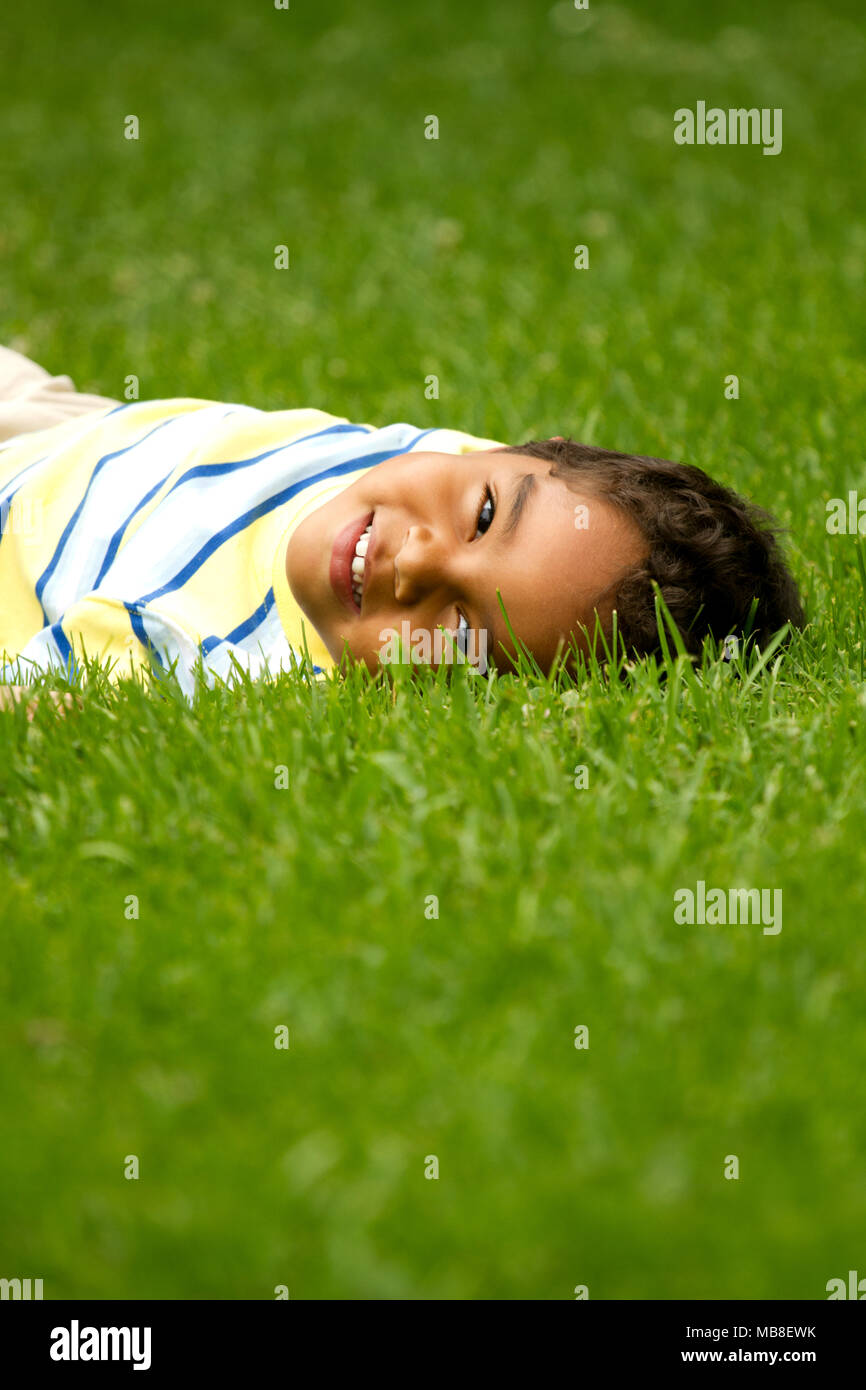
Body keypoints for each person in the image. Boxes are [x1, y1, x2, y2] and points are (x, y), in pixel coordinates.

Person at [0, 346, 804, 700]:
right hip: (58, 418)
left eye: (459, 632)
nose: (419, 560)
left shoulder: (198, 650)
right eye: (484, 517)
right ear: (525, 449)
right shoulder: (458, 460)